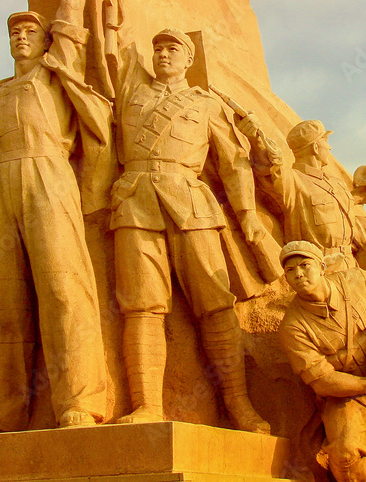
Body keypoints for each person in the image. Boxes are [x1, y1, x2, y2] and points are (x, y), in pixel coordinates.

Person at [0, 0, 111, 434]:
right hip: (0, 181)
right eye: (14, 32)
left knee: (63, 287)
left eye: (30, 30)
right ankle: (3, 412)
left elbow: (70, 16)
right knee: (5, 303)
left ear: (46, 40)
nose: (21, 37)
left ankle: (80, 402)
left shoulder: (53, 72)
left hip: (48, 173)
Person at [106, 21, 269, 432]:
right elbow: (110, 43)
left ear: (188, 59)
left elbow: (234, 163)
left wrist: (248, 214)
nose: (163, 55)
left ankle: (239, 406)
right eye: (158, 49)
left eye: (172, 49)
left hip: (191, 203)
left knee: (216, 304)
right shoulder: (131, 93)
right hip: (135, 202)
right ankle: (146, 406)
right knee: (141, 307)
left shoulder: (206, 104)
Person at [277, 240, 366, 482]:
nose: (298, 274)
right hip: (350, 392)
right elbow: (322, 381)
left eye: (304, 265)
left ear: (321, 267)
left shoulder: (354, 280)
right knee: (344, 455)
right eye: (290, 270)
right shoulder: (293, 326)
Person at [244, 118, 364, 269]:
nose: (329, 147)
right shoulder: (294, 180)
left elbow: (343, 206)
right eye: (325, 141)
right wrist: (255, 140)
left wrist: (364, 194)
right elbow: (271, 170)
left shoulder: (336, 183)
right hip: (318, 267)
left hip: (350, 263)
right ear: (315, 147)